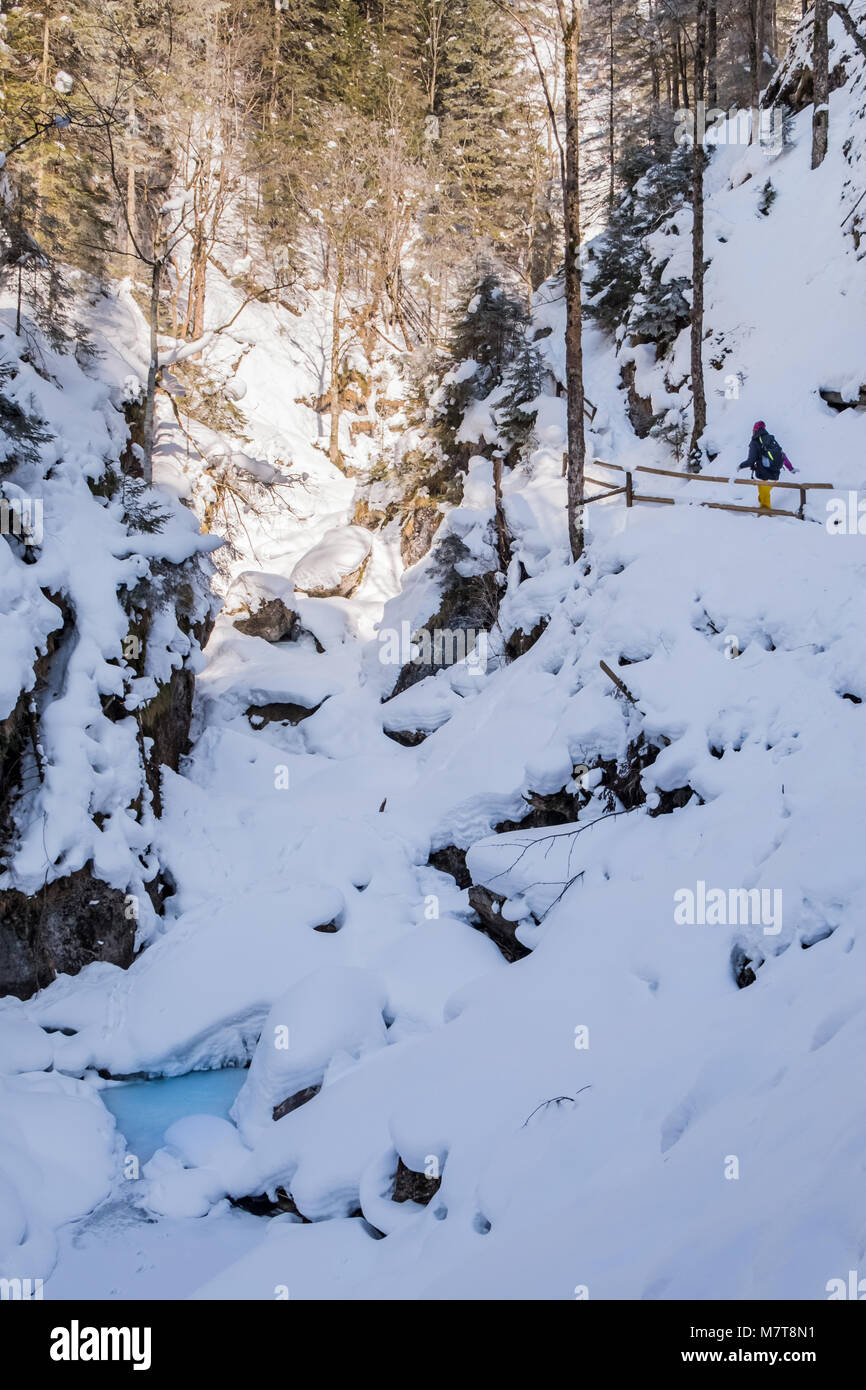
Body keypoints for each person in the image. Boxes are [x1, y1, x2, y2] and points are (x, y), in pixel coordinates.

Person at [738, 421, 795, 509]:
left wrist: (740, 466)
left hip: (763, 476)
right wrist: (790, 468)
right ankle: (763, 514)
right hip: (775, 475)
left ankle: (765, 518)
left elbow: (750, 461)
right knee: (763, 497)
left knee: (764, 502)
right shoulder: (771, 440)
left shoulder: (755, 442)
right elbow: (782, 455)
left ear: (755, 429)